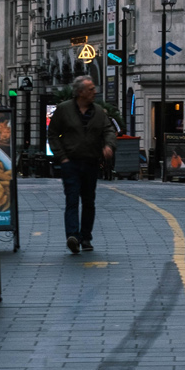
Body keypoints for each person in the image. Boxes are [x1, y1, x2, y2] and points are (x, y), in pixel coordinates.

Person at [47, 75, 117, 254]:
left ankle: (86, 237)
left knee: (88, 201)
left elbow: (109, 129)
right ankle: (73, 236)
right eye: (91, 89)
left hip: (91, 162)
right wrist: (62, 156)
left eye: (94, 88)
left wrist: (109, 145)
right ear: (80, 92)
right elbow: (53, 133)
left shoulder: (99, 112)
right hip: (70, 162)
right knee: (72, 199)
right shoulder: (64, 109)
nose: (95, 92)